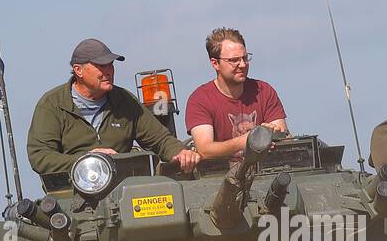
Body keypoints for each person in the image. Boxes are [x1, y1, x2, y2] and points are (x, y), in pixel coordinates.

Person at [27, 38, 201, 186]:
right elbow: (40, 157)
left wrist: (180, 152)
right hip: (72, 192)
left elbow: (160, 139)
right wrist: (87, 160)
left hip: (122, 189)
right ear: (78, 70)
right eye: (101, 66)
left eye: (110, 65)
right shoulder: (52, 105)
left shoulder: (124, 100)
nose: (108, 71)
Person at [185, 28, 288, 160]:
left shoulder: (263, 91)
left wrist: (272, 133)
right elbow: (205, 149)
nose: (243, 64)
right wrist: (247, 140)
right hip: (219, 175)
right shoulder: (200, 99)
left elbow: (284, 138)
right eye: (234, 60)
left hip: (265, 172)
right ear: (215, 63)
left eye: (245, 58)